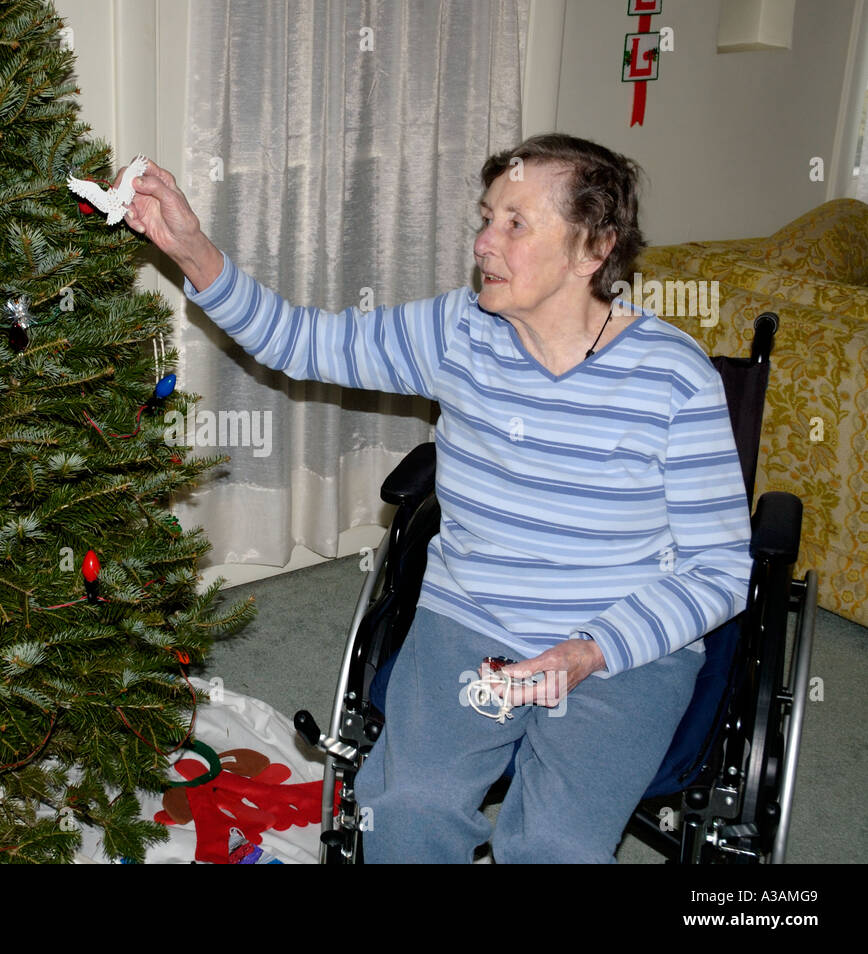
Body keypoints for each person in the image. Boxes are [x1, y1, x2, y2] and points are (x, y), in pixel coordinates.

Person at [115, 134, 753, 863]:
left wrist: (589, 650)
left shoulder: (673, 377)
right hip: (473, 619)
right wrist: (193, 250)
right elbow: (302, 341)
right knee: (401, 810)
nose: (484, 242)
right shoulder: (460, 331)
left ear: (593, 248)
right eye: (486, 218)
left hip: (619, 645)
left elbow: (720, 568)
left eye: (515, 223)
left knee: (556, 843)